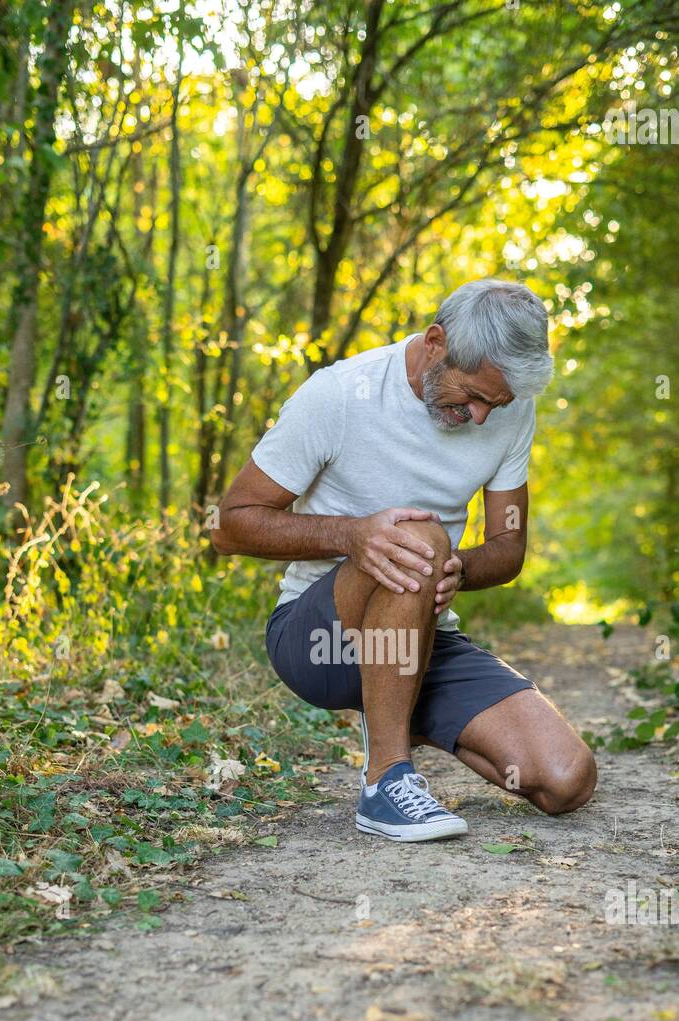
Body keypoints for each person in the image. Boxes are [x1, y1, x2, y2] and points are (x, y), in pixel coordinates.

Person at [211, 278, 596, 842]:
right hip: (319, 641)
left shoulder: (509, 409)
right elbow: (229, 524)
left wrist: (460, 569)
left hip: (425, 637)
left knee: (567, 780)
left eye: (499, 403)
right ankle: (384, 780)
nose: (485, 416)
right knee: (420, 534)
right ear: (435, 342)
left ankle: (399, 702)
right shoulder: (338, 395)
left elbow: (508, 549)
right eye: (473, 397)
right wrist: (352, 536)